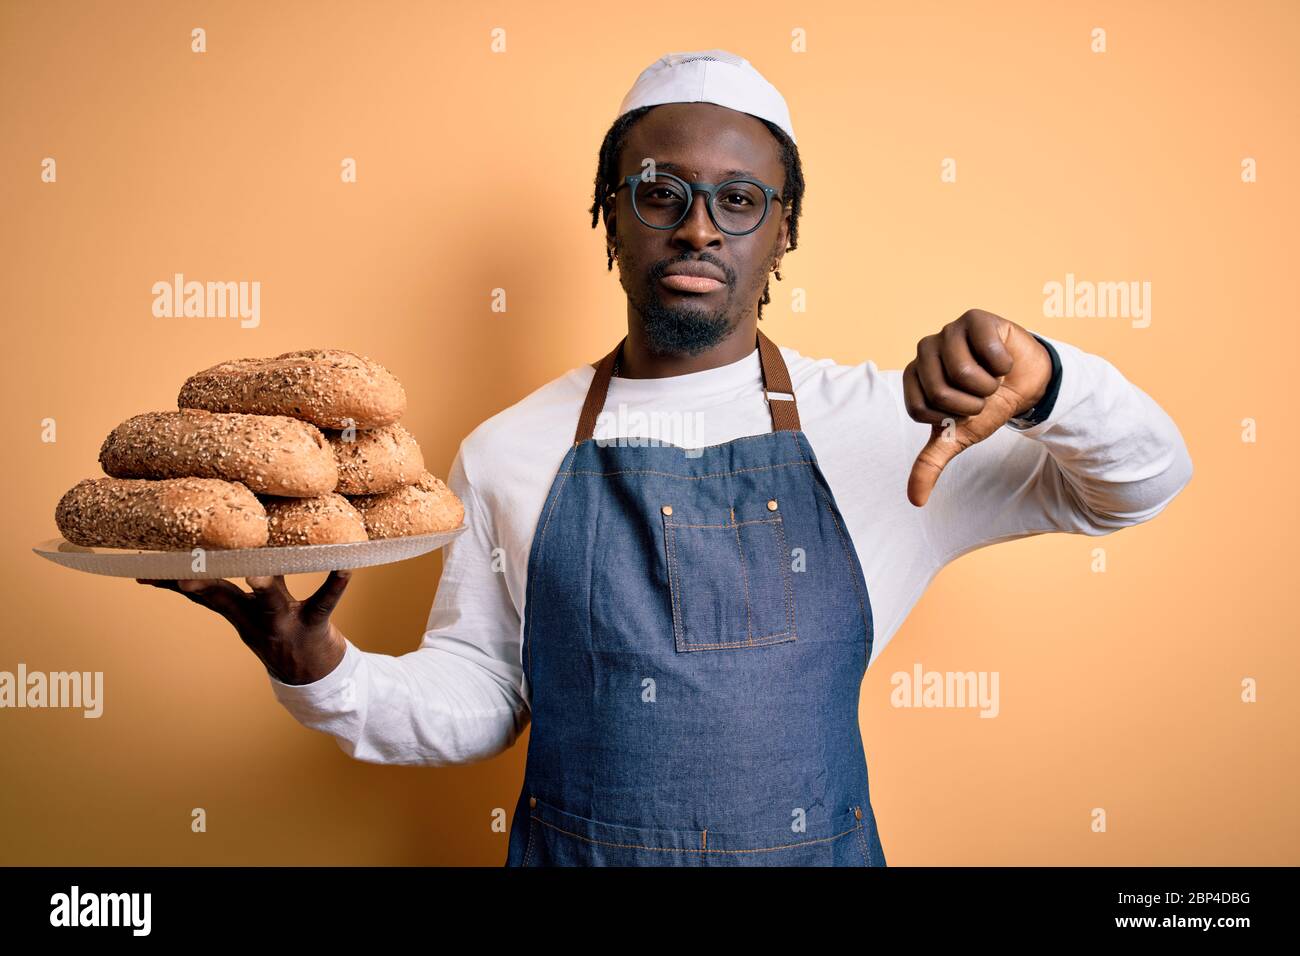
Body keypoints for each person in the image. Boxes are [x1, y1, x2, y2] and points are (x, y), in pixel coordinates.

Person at [140, 50, 1193, 866]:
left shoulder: (887, 425)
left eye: (741, 199)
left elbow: (1140, 483)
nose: (700, 226)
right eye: (659, 191)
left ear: (781, 235)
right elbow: (484, 693)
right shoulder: (510, 446)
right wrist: (318, 670)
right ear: (609, 220)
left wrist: (1051, 376)